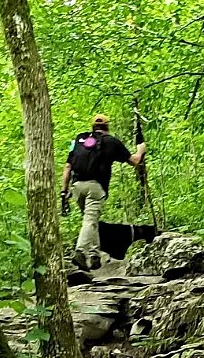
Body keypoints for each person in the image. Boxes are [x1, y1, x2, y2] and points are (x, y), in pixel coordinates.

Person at [60, 113, 146, 270]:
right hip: (95, 187)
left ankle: (94, 255)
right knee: (90, 220)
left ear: (93, 127)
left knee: (91, 220)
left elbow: (67, 167)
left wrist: (63, 192)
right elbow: (134, 161)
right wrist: (140, 150)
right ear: (107, 127)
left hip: (77, 187)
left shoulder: (79, 140)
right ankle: (80, 251)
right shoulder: (111, 142)